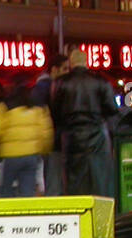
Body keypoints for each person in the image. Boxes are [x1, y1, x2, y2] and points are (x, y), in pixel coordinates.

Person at [51, 48, 118, 197]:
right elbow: (112, 109)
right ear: (86, 62)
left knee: (74, 181)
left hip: (71, 137)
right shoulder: (100, 81)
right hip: (96, 136)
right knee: (99, 179)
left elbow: (55, 112)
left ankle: (77, 213)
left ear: (71, 63)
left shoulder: (61, 83)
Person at [0, 77, 53, 197]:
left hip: (10, 157)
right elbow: (46, 133)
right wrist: (44, 150)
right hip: (32, 156)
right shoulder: (40, 108)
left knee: (6, 191)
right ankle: (26, 214)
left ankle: (6, 214)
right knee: (28, 191)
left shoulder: (2, 107)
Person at [34, 53, 70, 195]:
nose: (68, 72)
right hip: (53, 142)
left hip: (52, 141)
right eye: (65, 69)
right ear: (54, 69)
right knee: (54, 181)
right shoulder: (46, 87)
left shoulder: (42, 87)